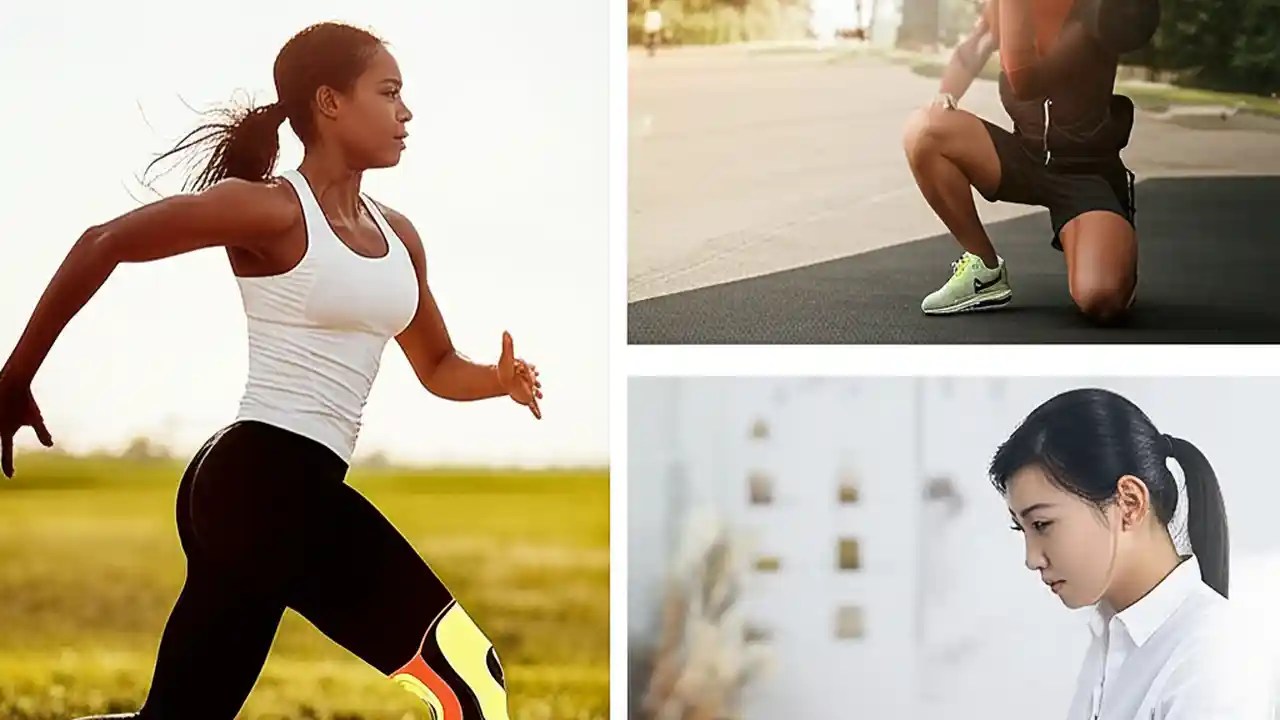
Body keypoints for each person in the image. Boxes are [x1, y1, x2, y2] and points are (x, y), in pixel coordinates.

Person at [0, 21, 540, 720]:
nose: (406, 112)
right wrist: (15, 378)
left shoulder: (399, 235)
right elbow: (103, 242)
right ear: (330, 102)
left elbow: (436, 364)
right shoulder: (272, 210)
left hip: (265, 489)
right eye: (389, 92)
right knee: (474, 682)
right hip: (265, 482)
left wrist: (498, 381)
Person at [989, 388, 1275, 718]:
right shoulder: (1110, 636)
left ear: (1129, 503)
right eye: (1020, 529)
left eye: (1041, 524)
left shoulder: (1216, 653)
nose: (1031, 558)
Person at [904, 0, 1147, 323]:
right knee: (925, 129)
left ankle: (1109, 242)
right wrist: (947, 92)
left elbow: (1027, 80)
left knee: (1101, 299)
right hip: (1026, 157)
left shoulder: (1094, 10)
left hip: (1087, 172)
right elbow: (976, 45)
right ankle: (984, 268)